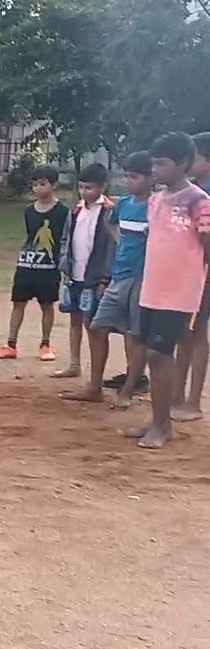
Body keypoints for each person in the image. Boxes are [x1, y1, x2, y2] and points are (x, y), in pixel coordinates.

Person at [124, 132, 210, 449]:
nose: (156, 169)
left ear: (183, 163)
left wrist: (199, 289)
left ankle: (163, 427)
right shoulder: (156, 200)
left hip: (180, 293)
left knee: (161, 354)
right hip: (152, 289)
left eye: (162, 163)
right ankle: (156, 419)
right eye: (154, 163)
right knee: (150, 354)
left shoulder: (199, 201)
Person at [60, 151, 152, 407]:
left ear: (149, 178)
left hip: (141, 278)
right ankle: (94, 387)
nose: (129, 181)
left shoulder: (155, 206)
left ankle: (129, 390)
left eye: (133, 176)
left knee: (134, 334)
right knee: (97, 327)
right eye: (126, 175)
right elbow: (111, 226)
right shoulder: (123, 205)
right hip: (118, 277)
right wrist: (121, 241)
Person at [0, 166, 70, 361]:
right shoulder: (29, 211)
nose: (38, 188)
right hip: (27, 265)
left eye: (42, 184)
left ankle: (45, 344)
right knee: (18, 303)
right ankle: (10, 344)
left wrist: (64, 265)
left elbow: (64, 239)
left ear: (54, 185)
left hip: (49, 267)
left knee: (47, 305)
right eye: (34, 185)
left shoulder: (64, 212)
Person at [51, 163, 114, 379]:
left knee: (92, 324)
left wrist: (105, 279)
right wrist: (64, 263)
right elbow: (67, 238)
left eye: (90, 188)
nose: (85, 192)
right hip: (74, 274)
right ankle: (74, 364)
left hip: (94, 278)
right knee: (74, 319)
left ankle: (95, 374)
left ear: (103, 187)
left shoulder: (109, 211)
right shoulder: (77, 209)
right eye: (81, 187)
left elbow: (110, 248)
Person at [170, 131, 210, 422]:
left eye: (194, 157)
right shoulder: (195, 188)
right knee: (184, 332)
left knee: (195, 334)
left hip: (203, 273)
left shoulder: (204, 195)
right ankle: (177, 394)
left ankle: (193, 401)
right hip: (190, 271)